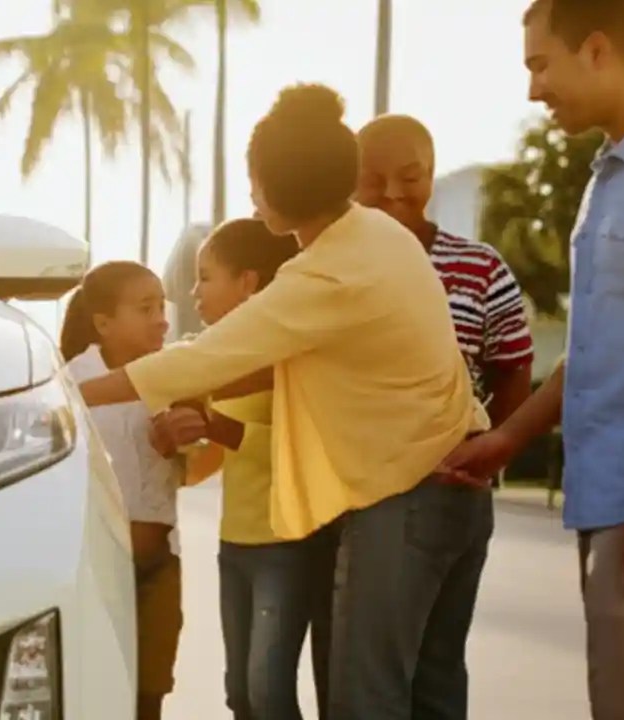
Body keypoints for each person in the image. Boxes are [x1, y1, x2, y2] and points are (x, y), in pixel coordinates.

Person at [76, 83, 488, 720]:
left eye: (255, 181)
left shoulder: (321, 276)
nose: (250, 195)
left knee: (367, 702)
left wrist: (68, 388)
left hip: (406, 501)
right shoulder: (377, 234)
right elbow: (263, 370)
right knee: (432, 697)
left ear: (280, 188)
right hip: (461, 490)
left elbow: (203, 358)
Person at [440, 1, 624, 717]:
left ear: (598, 49)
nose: (533, 90)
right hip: (613, 503)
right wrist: (508, 439)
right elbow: (598, 352)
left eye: (540, 65)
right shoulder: (613, 174)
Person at [355, 114, 535, 718]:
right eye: (373, 179)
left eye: (411, 176)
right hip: (376, 490)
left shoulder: (478, 265)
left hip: (445, 495)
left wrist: (495, 449)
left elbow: (515, 360)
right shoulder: (346, 263)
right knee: (404, 674)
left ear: (431, 174)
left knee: (405, 677)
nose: (395, 192)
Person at [154, 218, 333, 720]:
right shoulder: (218, 363)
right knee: (241, 695)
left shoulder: (289, 359)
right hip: (235, 546)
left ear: (249, 282)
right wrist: (173, 439)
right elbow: (206, 463)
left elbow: (297, 448)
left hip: (287, 546)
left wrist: (214, 424)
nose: (194, 291)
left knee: (268, 693)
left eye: (206, 277)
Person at [58, 261, 189, 720]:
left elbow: (191, 466)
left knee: (150, 692)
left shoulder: (175, 375)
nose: (161, 319)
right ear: (103, 323)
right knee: (95, 692)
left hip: (160, 565)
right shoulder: (69, 381)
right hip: (94, 570)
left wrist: (180, 442)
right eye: (145, 308)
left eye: (162, 306)